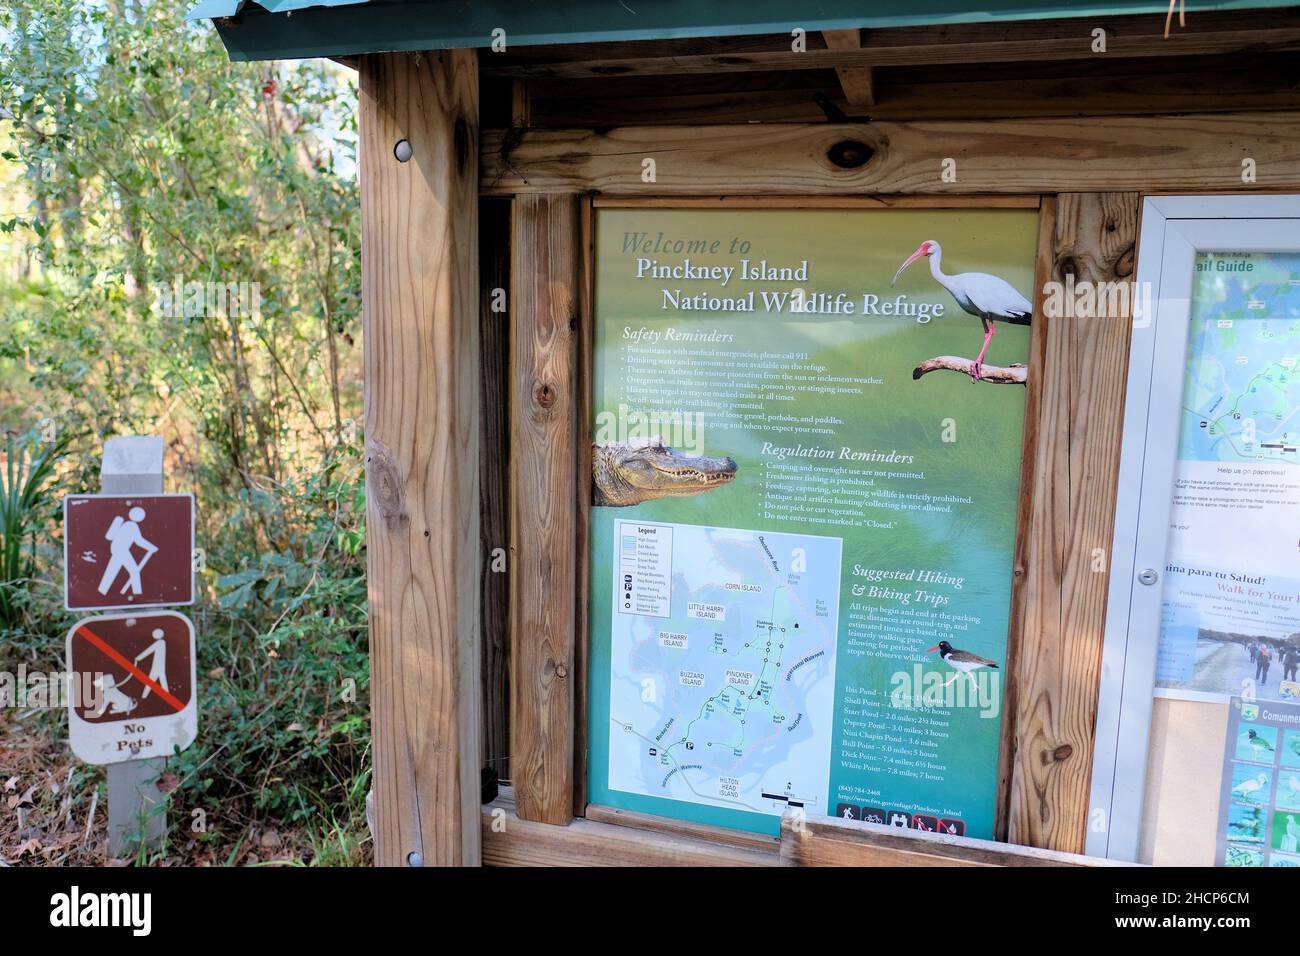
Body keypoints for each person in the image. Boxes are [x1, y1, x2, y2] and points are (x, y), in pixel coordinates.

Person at [96, 506, 159, 597]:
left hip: (116, 548)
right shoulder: (132, 526)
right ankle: (137, 593)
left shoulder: (126, 524)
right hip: (121, 550)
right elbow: (138, 541)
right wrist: (151, 547)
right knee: (134, 570)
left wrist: (150, 547)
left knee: (112, 570)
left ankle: (102, 591)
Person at [133, 628, 169, 699]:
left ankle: (144, 696)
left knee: (153, 680)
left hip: (157, 666)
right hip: (158, 665)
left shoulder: (160, 642)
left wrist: (138, 658)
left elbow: (149, 650)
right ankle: (166, 696)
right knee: (157, 679)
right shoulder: (162, 642)